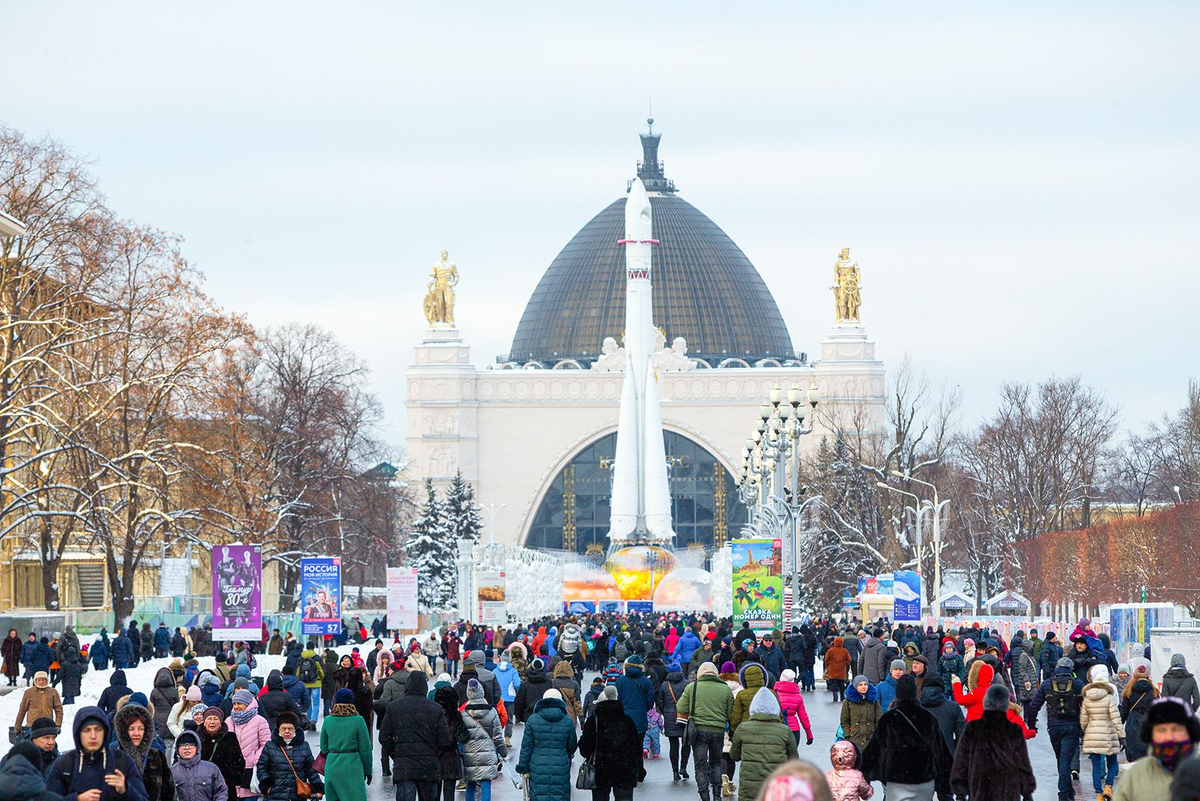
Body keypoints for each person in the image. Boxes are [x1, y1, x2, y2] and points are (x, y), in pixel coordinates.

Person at [861, 674, 952, 800]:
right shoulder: (928, 718)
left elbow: (874, 752)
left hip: (897, 779)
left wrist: (863, 773)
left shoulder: (889, 718)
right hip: (924, 780)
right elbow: (941, 754)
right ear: (915, 692)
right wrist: (945, 790)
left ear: (897, 693)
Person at [950, 684, 1036, 801]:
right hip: (1008, 791)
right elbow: (1022, 763)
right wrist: (1027, 792)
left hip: (979, 789)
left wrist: (960, 793)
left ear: (986, 702)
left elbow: (961, 761)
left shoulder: (973, 728)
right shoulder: (1013, 730)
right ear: (1006, 704)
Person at [45, 705, 150, 801]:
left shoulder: (122, 761)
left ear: (105, 732)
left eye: (98, 730)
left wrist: (125, 790)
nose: (93, 736)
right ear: (78, 734)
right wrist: (76, 799)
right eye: (87, 730)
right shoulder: (65, 764)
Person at [380, 671, 452, 801]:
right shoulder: (436, 708)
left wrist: (396, 753)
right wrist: (434, 752)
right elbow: (445, 740)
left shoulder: (394, 707)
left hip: (404, 766)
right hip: (428, 766)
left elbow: (384, 737)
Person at [1113, 696, 1200, 801]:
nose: (1169, 737)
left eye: (1176, 729)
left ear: (1190, 732)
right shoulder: (1135, 775)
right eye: (1161, 730)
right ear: (1150, 735)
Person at [730, 688, 797, 801]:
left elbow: (734, 756)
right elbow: (794, 760)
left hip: (749, 787)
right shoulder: (785, 731)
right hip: (776, 786)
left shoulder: (743, 728)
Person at [580, 685, 644, 801]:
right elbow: (637, 747)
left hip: (600, 770)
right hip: (625, 770)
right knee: (624, 798)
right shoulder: (627, 721)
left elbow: (585, 748)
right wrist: (640, 769)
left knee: (600, 798)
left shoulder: (593, 721)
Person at [516, 688, 578, 801]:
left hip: (537, 765)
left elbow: (526, 746)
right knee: (560, 794)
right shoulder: (567, 721)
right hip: (561, 764)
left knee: (539, 794)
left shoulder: (533, 720)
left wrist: (523, 766)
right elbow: (572, 746)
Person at [114, 696, 174, 801]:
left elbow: (169, 793)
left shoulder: (156, 756)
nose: (136, 733)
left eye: (140, 729)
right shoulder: (113, 756)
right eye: (131, 729)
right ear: (123, 730)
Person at [256, 711, 322, 801]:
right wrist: (266, 784)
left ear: (295, 729)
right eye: (284, 728)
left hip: (297, 795)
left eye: (290, 728)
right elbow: (262, 767)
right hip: (274, 795)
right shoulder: (270, 746)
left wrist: (317, 787)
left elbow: (311, 768)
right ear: (279, 729)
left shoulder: (304, 746)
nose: (287, 731)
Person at [1080, 668, 1124, 801]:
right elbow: (1116, 718)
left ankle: (1098, 794)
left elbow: (1083, 720)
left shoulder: (1087, 698)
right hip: (1108, 734)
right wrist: (1122, 735)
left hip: (1092, 734)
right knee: (1111, 763)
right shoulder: (1109, 698)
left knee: (1096, 766)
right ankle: (1108, 787)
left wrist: (1086, 732)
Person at [461, 679, 507, 801]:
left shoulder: (464, 714)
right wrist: (503, 753)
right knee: (486, 783)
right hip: (487, 752)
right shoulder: (492, 712)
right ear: (481, 692)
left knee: (470, 783)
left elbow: (461, 736)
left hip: (469, 752)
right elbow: (497, 736)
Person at [226, 689, 271, 800]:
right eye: (234, 703)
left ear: (248, 704)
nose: (236, 706)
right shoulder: (228, 721)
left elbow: (266, 744)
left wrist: (254, 760)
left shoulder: (260, 721)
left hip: (250, 773)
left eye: (239, 703)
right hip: (232, 773)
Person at [193, 708, 245, 797]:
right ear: (204, 722)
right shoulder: (195, 738)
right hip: (201, 788)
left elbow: (239, 760)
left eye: (215, 719)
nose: (212, 722)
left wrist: (233, 778)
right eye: (209, 718)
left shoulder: (230, 737)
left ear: (220, 722)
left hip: (226, 787)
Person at [656, 661, 691, 781]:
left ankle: (675, 772)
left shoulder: (665, 685)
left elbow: (659, 701)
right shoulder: (687, 684)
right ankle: (683, 767)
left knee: (673, 745)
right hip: (684, 717)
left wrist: (666, 712)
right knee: (686, 743)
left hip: (670, 717)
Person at [171, 729, 228, 801]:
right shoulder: (171, 771)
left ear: (197, 748)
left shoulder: (211, 768)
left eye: (191, 745)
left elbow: (221, 792)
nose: (187, 748)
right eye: (183, 745)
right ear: (177, 749)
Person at [1121, 661, 1159, 761]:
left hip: (1133, 722)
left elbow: (1124, 711)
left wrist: (1119, 725)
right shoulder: (1154, 691)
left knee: (1134, 751)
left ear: (1134, 675)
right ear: (1148, 676)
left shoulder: (1129, 690)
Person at [839, 676, 881, 753]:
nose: (863, 687)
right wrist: (848, 735)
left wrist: (876, 734)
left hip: (870, 739)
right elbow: (844, 720)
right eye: (860, 684)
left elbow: (878, 719)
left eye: (865, 684)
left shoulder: (873, 700)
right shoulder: (849, 701)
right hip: (854, 739)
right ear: (855, 686)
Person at [616, 657, 654, 739]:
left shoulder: (620, 681)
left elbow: (616, 700)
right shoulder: (646, 681)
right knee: (638, 745)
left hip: (624, 718)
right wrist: (643, 708)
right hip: (640, 718)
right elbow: (650, 701)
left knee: (625, 746)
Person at [773, 670, 812, 747]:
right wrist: (809, 734)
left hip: (778, 729)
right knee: (792, 757)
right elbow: (803, 717)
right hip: (794, 730)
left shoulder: (774, 695)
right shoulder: (798, 697)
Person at [494, 650, 521, 747]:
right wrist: (515, 691)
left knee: (497, 718)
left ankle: (497, 737)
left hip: (498, 699)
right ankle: (507, 738)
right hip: (509, 698)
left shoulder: (495, 671)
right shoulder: (513, 671)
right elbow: (517, 684)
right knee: (509, 719)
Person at [823, 637, 851, 703]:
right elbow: (849, 660)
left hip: (832, 670)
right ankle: (842, 697)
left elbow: (826, 659)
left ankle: (835, 696)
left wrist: (829, 664)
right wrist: (845, 664)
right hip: (841, 670)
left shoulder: (830, 650)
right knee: (841, 684)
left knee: (834, 684)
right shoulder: (845, 651)